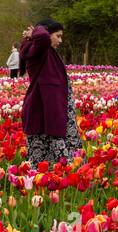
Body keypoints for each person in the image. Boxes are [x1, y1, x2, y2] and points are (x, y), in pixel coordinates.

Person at [20, 20, 80, 165]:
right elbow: (42, 37)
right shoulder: (39, 50)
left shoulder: (45, 51)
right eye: (58, 36)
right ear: (47, 34)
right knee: (54, 164)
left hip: (54, 113)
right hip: (47, 115)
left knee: (58, 164)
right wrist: (36, 31)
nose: (60, 40)